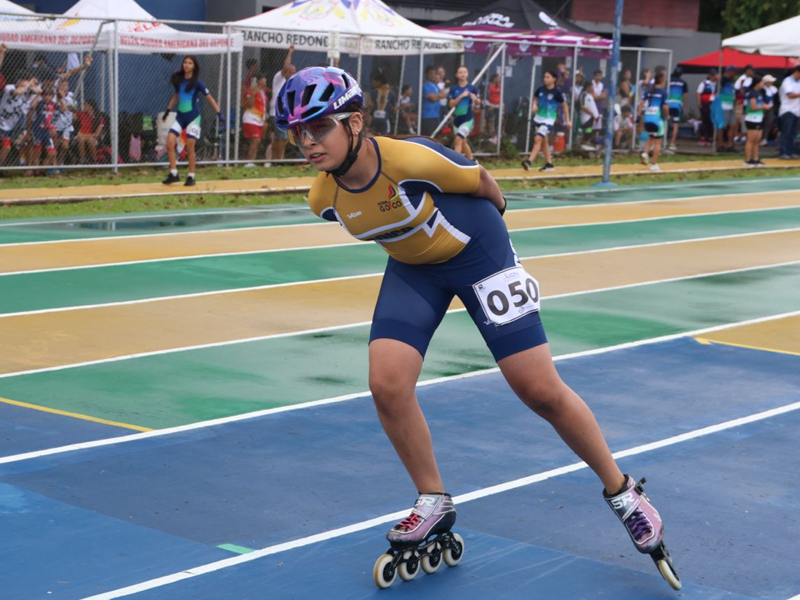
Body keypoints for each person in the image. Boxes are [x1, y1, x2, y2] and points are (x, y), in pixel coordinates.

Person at [274, 65, 675, 585]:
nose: (307, 142)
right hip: (415, 269)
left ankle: (623, 492)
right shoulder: (322, 198)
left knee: (538, 390)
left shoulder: (412, 159)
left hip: (480, 253)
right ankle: (433, 499)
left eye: (319, 127)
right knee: (386, 383)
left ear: (355, 123)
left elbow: (487, 187)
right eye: (297, 132)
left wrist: (500, 257)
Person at [161, 55, 222, 186]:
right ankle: (173, 173)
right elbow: (176, 96)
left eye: (189, 63)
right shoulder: (179, 80)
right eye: (185, 62)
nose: (186, 65)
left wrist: (219, 113)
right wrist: (167, 111)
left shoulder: (198, 82)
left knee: (190, 144)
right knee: (170, 141)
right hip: (180, 117)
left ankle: (191, 176)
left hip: (193, 117)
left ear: (194, 66)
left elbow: (209, 98)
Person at [521, 70, 571, 172]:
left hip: (548, 120)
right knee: (543, 142)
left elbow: (565, 106)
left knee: (537, 139)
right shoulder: (540, 89)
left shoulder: (557, 92)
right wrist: (534, 105)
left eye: (548, 77)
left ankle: (529, 161)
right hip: (538, 118)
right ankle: (549, 164)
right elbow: (535, 98)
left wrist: (568, 120)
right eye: (544, 77)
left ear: (554, 79)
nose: (545, 79)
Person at [266, 45, 295, 167]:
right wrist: (290, 53)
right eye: (291, 71)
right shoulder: (279, 77)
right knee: (283, 138)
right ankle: (277, 160)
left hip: (283, 113)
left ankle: (276, 160)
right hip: (277, 113)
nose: (293, 73)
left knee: (279, 138)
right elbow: (285, 67)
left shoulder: (289, 83)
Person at [639, 70, 668, 171]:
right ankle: (654, 164)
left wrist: (639, 115)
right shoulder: (663, 92)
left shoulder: (649, 91)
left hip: (647, 116)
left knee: (650, 138)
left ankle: (645, 153)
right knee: (658, 142)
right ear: (662, 80)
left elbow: (641, 103)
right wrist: (667, 116)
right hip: (658, 118)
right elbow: (665, 107)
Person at [448, 65, 479, 159]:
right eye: (460, 72)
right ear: (457, 75)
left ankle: (456, 164)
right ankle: (472, 162)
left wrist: (476, 99)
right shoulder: (453, 89)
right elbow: (451, 104)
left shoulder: (472, 88)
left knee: (458, 140)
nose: (463, 74)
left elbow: (479, 102)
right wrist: (461, 96)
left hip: (467, 119)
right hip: (457, 120)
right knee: (463, 142)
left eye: (464, 72)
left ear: (467, 74)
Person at [743, 74, 771, 167]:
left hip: (759, 118)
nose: (763, 84)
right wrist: (763, 107)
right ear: (757, 83)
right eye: (761, 82)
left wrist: (765, 105)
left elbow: (761, 103)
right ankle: (747, 159)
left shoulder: (759, 93)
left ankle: (755, 158)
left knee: (757, 140)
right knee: (751, 139)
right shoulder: (752, 93)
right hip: (752, 118)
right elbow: (753, 107)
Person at [242, 72, 268, 167]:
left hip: (259, 118)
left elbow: (262, 105)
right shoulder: (252, 90)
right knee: (255, 140)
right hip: (251, 117)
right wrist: (252, 95)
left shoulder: (262, 91)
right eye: (263, 78)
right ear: (259, 80)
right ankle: (249, 162)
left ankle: (252, 160)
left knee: (257, 141)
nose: (265, 80)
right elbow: (248, 105)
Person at [778, 66, 800, 159]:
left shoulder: (798, 82)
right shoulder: (787, 81)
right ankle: (783, 152)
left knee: (793, 133)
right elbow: (790, 95)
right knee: (786, 132)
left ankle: (790, 151)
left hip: (796, 111)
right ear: (797, 72)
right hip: (787, 110)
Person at [74, 99, 104, 164]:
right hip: (80, 136)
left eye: (86, 105)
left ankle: (95, 161)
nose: (84, 106)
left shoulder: (98, 117)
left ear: (91, 107)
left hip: (90, 137)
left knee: (90, 140)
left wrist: (84, 135)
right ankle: (82, 160)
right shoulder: (81, 114)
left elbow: (97, 134)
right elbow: (73, 120)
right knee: (81, 139)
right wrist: (74, 109)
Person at [665, 67, 687, 151]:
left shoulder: (668, 81)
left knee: (666, 122)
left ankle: (663, 141)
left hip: (668, 104)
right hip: (677, 105)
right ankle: (672, 143)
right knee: (675, 124)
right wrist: (684, 105)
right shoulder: (683, 82)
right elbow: (685, 95)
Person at [717, 66, 738, 153]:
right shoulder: (723, 79)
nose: (735, 74)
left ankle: (730, 145)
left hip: (731, 105)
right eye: (734, 72)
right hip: (723, 105)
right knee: (722, 126)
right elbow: (717, 89)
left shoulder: (731, 80)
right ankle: (720, 145)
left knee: (733, 125)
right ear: (730, 71)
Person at [368, 70, 395, 136]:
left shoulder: (374, 92)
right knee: (385, 135)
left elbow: (370, 104)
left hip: (375, 117)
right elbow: (393, 107)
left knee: (374, 135)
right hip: (385, 118)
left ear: (379, 82)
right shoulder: (391, 93)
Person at [421, 66, 445, 137]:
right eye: (430, 73)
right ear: (426, 74)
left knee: (437, 136)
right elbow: (433, 99)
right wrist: (438, 96)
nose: (433, 75)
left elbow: (444, 94)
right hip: (428, 116)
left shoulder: (435, 85)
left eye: (434, 73)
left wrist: (437, 95)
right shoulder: (425, 85)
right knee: (429, 137)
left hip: (436, 115)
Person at [734, 64, 755, 144]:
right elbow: (739, 90)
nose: (752, 72)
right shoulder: (742, 78)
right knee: (739, 120)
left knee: (745, 119)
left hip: (747, 102)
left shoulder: (751, 79)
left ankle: (744, 135)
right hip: (741, 102)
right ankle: (737, 135)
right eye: (751, 70)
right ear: (747, 70)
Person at [696, 68, 717, 146]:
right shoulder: (704, 83)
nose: (713, 77)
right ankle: (703, 136)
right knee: (705, 120)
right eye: (712, 75)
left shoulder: (716, 84)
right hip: (705, 104)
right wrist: (699, 102)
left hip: (713, 104)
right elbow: (698, 93)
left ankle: (710, 137)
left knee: (712, 121)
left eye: (714, 75)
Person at [579, 79, 601, 149]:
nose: (592, 88)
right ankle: (584, 142)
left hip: (592, 117)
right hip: (586, 117)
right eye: (591, 86)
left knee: (591, 131)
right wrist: (591, 113)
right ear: (588, 86)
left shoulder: (589, 95)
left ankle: (588, 142)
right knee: (587, 130)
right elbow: (583, 106)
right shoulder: (583, 95)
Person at [762, 74, 779, 145]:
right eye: (770, 81)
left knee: (769, 122)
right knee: (761, 123)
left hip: (770, 108)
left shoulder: (774, 88)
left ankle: (765, 138)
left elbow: (776, 99)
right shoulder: (762, 88)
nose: (771, 83)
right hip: (762, 108)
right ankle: (760, 138)